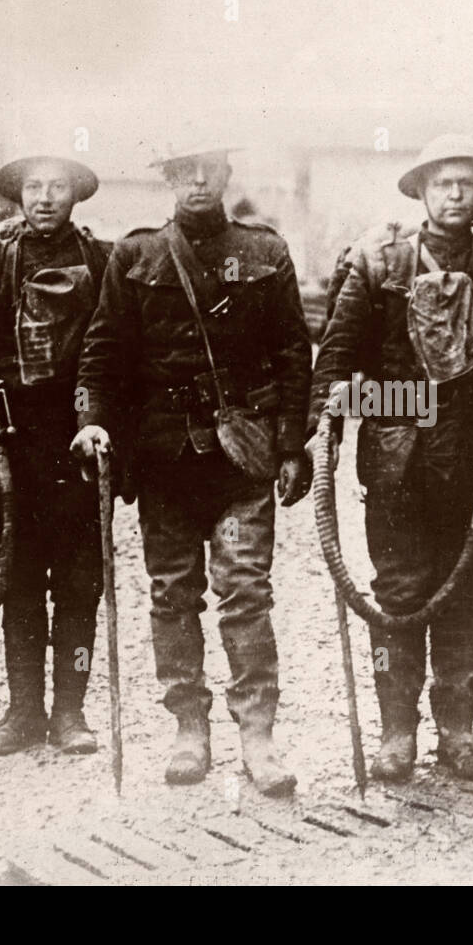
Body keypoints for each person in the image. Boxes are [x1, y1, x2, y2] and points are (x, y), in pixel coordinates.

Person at [309, 134, 473, 783]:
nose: (453, 194)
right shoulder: (377, 261)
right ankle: (396, 733)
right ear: (420, 190)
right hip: (398, 463)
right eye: (441, 183)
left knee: (464, 596)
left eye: (466, 184)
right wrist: (326, 426)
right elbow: (337, 362)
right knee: (398, 595)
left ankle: (459, 731)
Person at [71, 145, 312, 796]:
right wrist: (93, 421)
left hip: (243, 456)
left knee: (246, 593)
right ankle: (189, 728)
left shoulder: (266, 253)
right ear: (169, 180)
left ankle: (257, 733)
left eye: (207, 169)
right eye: (183, 171)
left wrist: (292, 446)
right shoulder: (136, 255)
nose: (196, 180)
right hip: (164, 460)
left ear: (228, 175)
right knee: (172, 594)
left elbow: (294, 353)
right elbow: (102, 352)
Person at [0, 155, 111, 756]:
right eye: (34, 187)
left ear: (75, 196)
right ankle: (23, 712)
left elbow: (116, 350)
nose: (45, 198)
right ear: (18, 196)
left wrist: (100, 423)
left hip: (76, 441)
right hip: (7, 440)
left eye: (57, 187)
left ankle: (71, 712)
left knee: (80, 581)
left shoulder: (100, 260)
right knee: (17, 576)